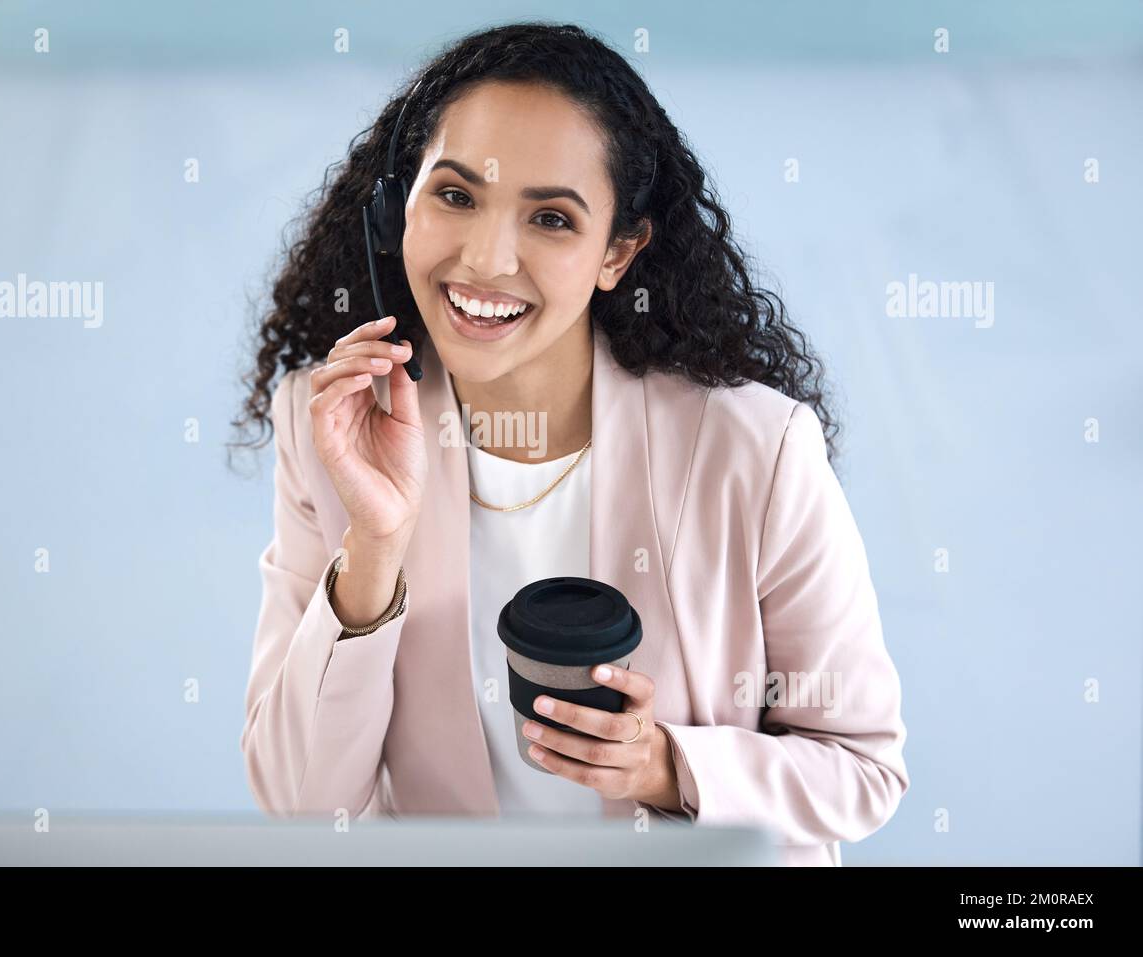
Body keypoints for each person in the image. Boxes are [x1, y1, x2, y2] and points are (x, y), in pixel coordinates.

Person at [233, 22, 909, 866]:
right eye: (454, 196)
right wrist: (374, 547)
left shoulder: (755, 448)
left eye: (551, 218)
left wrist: (667, 768)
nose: (486, 258)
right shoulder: (333, 422)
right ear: (394, 207)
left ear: (618, 252)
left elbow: (862, 767)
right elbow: (302, 802)